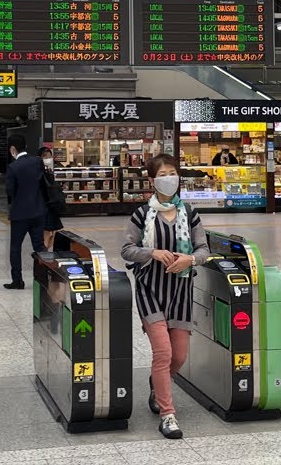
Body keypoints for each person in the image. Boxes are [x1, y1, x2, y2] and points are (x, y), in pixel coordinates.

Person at [120, 154, 210, 440]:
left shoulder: (190, 214)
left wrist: (190, 260)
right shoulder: (141, 214)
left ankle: (156, 386)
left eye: (173, 173)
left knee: (179, 356)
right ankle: (168, 414)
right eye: (163, 174)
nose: (169, 178)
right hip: (150, 291)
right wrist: (152, 252)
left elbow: (203, 251)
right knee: (164, 353)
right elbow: (126, 249)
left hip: (181, 293)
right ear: (152, 180)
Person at [3, 133, 47, 289]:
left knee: (15, 248)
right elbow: (43, 183)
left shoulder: (13, 167)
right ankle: (45, 278)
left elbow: (10, 191)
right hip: (38, 210)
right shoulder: (37, 161)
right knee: (40, 246)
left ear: (13, 149)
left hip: (19, 214)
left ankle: (18, 281)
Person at [39, 147, 66, 250]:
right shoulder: (39, 172)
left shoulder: (49, 171)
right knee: (47, 234)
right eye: (45, 156)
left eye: (49, 156)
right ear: (40, 158)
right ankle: (44, 255)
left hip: (53, 206)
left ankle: (47, 252)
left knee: (53, 234)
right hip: (45, 206)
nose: (48, 158)